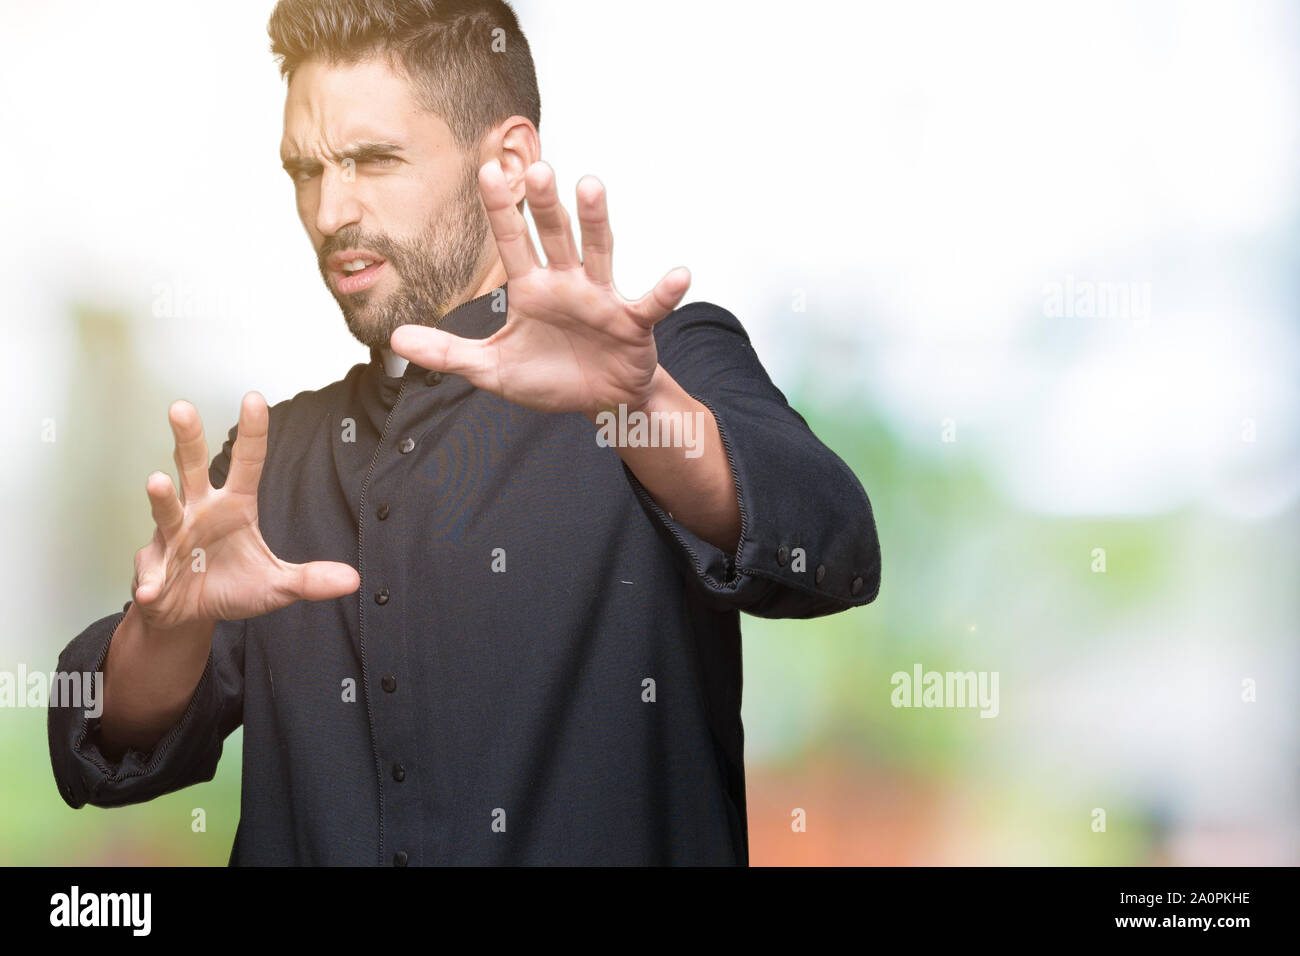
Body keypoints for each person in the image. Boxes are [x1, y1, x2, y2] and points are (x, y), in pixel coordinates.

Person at [48, 0, 882, 865]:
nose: (331, 210)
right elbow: (106, 749)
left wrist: (641, 408)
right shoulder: (275, 460)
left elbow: (835, 546)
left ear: (509, 161)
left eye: (373, 160)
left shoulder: (665, 369)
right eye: (305, 170)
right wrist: (167, 627)